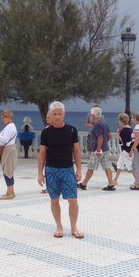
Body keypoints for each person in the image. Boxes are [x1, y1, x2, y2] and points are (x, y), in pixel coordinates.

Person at [38, 101, 83, 239]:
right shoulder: (46, 132)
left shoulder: (72, 130)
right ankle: (58, 226)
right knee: (54, 199)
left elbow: (76, 151)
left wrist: (79, 169)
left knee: (73, 200)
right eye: (55, 114)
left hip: (67, 169)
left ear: (64, 114)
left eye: (60, 114)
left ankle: (74, 227)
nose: (57, 116)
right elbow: (42, 153)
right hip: (51, 170)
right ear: (51, 115)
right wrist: (40, 173)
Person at [77, 106, 115, 191]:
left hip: (98, 151)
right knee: (106, 166)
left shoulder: (97, 124)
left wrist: (98, 150)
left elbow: (100, 137)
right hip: (105, 149)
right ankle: (111, 183)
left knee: (91, 167)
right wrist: (104, 144)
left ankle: (84, 184)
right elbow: (109, 136)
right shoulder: (104, 123)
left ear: (93, 115)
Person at [0, 109, 18, 199]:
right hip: (9, 149)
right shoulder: (10, 126)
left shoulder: (10, 127)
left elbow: (5, 139)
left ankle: (9, 193)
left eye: (3, 118)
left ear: (8, 117)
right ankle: (11, 191)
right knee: (8, 171)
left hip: (9, 150)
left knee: (7, 171)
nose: (2, 120)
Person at [113, 113, 133, 185]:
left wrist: (118, 135)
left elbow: (123, 141)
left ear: (121, 121)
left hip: (125, 150)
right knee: (120, 164)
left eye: (119, 120)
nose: (118, 121)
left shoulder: (124, 130)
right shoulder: (130, 129)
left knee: (129, 166)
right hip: (126, 149)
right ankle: (115, 180)